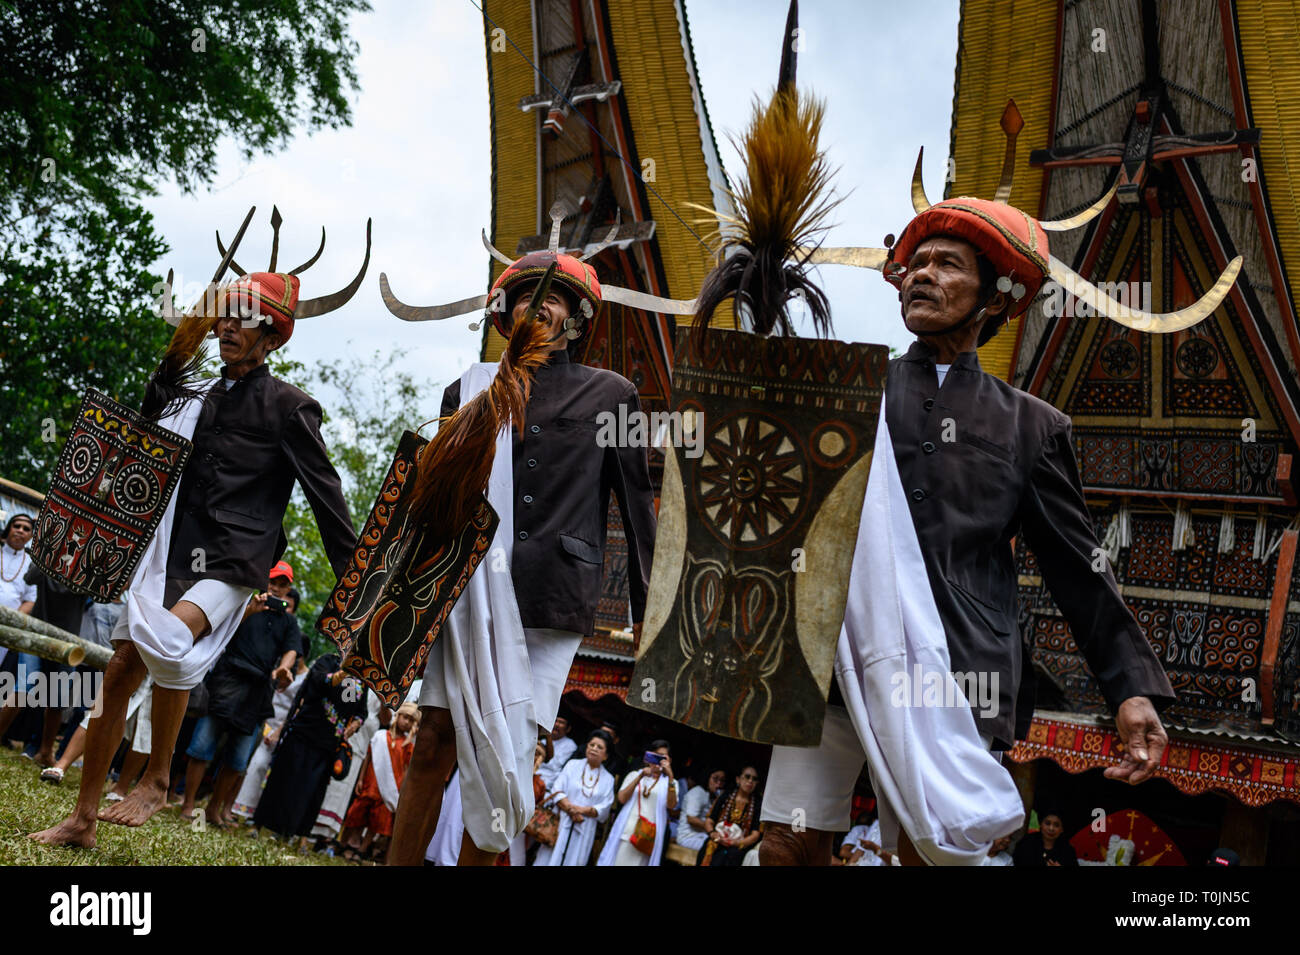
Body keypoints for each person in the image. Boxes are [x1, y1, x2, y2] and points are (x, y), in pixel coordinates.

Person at [760, 193, 1177, 867]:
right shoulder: (847, 393)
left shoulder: (1032, 426)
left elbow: (1080, 567)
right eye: (914, 263)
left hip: (956, 673)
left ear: (996, 296)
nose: (920, 274)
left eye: (946, 263)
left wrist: (1130, 687)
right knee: (785, 844)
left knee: (932, 856)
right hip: (828, 658)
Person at [31, 269, 359, 848]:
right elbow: (145, 443)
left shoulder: (292, 407)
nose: (228, 326)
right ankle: (82, 820)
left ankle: (158, 778)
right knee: (120, 668)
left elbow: (328, 503)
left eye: (244, 319)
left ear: (273, 336)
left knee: (162, 639)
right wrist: (166, 369)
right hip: (169, 553)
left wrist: (360, 595)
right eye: (224, 315)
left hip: (232, 562)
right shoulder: (195, 396)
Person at [387, 249, 657, 866]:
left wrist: (651, 618)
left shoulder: (615, 394)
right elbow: (431, 499)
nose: (540, 304)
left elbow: (639, 508)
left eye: (556, 296)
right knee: (433, 740)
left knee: (505, 758)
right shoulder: (468, 388)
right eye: (526, 293)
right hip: (464, 593)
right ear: (504, 315)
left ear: (580, 318)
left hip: (552, 598)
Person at [178, 561, 302, 825]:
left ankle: (213, 809)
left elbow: (292, 649)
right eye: (273, 582)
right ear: (264, 580)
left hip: (258, 690)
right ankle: (188, 804)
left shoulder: (289, 622)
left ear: (288, 587)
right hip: (227, 679)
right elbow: (220, 630)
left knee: (237, 759)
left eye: (283, 584)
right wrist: (250, 610)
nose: (277, 588)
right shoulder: (243, 601)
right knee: (201, 747)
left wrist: (283, 667)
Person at [254, 652, 367, 844]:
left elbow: (361, 712)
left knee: (312, 791)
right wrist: (341, 673)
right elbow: (317, 682)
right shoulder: (328, 661)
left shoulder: (362, 677)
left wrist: (354, 725)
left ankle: (298, 835)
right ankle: (258, 824)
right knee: (283, 780)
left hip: (329, 744)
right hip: (304, 732)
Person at [0, 562, 85, 764]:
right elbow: (30, 578)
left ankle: (46, 752)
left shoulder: (85, 567)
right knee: (24, 688)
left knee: (57, 699)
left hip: (68, 640)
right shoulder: (47, 555)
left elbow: (98, 595)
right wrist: (51, 556)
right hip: (36, 633)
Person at [231, 651, 308, 819]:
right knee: (244, 762)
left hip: (281, 726)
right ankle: (233, 804)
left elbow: (297, 708)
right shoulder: (280, 666)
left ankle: (249, 809)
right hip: (262, 717)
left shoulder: (306, 678)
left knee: (260, 766)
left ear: (302, 657)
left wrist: (279, 731)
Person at [340, 701, 419, 861]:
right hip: (370, 784)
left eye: (411, 720)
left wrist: (399, 792)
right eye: (405, 717)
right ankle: (345, 844)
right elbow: (368, 757)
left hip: (388, 790)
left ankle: (362, 850)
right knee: (356, 815)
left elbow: (405, 769)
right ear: (397, 716)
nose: (407, 722)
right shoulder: (380, 736)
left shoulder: (407, 746)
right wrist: (361, 779)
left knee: (377, 823)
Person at [534, 729, 616, 866]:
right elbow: (557, 789)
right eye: (592, 745)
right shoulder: (572, 765)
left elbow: (604, 808)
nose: (594, 749)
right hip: (561, 821)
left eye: (599, 747)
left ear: (606, 755)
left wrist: (581, 811)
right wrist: (571, 810)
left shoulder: (609, 779)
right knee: (549, 858)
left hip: (584, 826)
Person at [598, 739, 676, 866]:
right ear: (649, 756)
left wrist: (670, 776)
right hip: (628, 832)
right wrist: (640, 777)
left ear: (669, 760)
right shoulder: (635, 774)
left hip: (648, 838)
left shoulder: (671, 783)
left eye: (663, 757)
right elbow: (622, 798)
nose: (659, 760)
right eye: (656, 756)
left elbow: (671, 805)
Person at [699, 766, 762, 867]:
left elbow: (755, 835)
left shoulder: (758, 804)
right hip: (718, 839)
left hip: (739, 846)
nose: (750, 781)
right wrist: (714, 834)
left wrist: (736, 843)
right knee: (709, 845)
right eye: (747, 777)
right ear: (738, 779)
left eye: (754, 779)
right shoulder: (726, 796)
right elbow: (709, 820)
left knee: (732, 855)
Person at [0, 514, 36, 681]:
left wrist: (11, 620)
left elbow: (30, 600)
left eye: (26, 529)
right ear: (9, 529)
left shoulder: (31, 563)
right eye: (17, 526)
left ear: (30, 536)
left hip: (5, 629)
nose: (20, 531)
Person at [675, 767, 725, 853]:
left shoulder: (714, 796)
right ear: (708, 777)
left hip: (702, 836)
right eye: (715, 779)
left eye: (722, 780)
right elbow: (691, 819)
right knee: (715, 849)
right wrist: (711, 830)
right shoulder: (697, 792)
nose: (719, 783)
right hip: (688, 837)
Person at [1012, 813, 1077, 867]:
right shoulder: (1026, 844)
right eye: (1047, 823)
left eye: (1056, 825)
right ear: (1040, 824)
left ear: (1062, 829)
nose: (1051, 828)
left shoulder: (1067, 850)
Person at [536, 713, 577, 787]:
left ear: (568, 729)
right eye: (555, 721)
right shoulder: (543, 742)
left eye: (561, 722)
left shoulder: (570, 745)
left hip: (549, 781)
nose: (557, 724)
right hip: (534, 775)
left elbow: (553, 765)